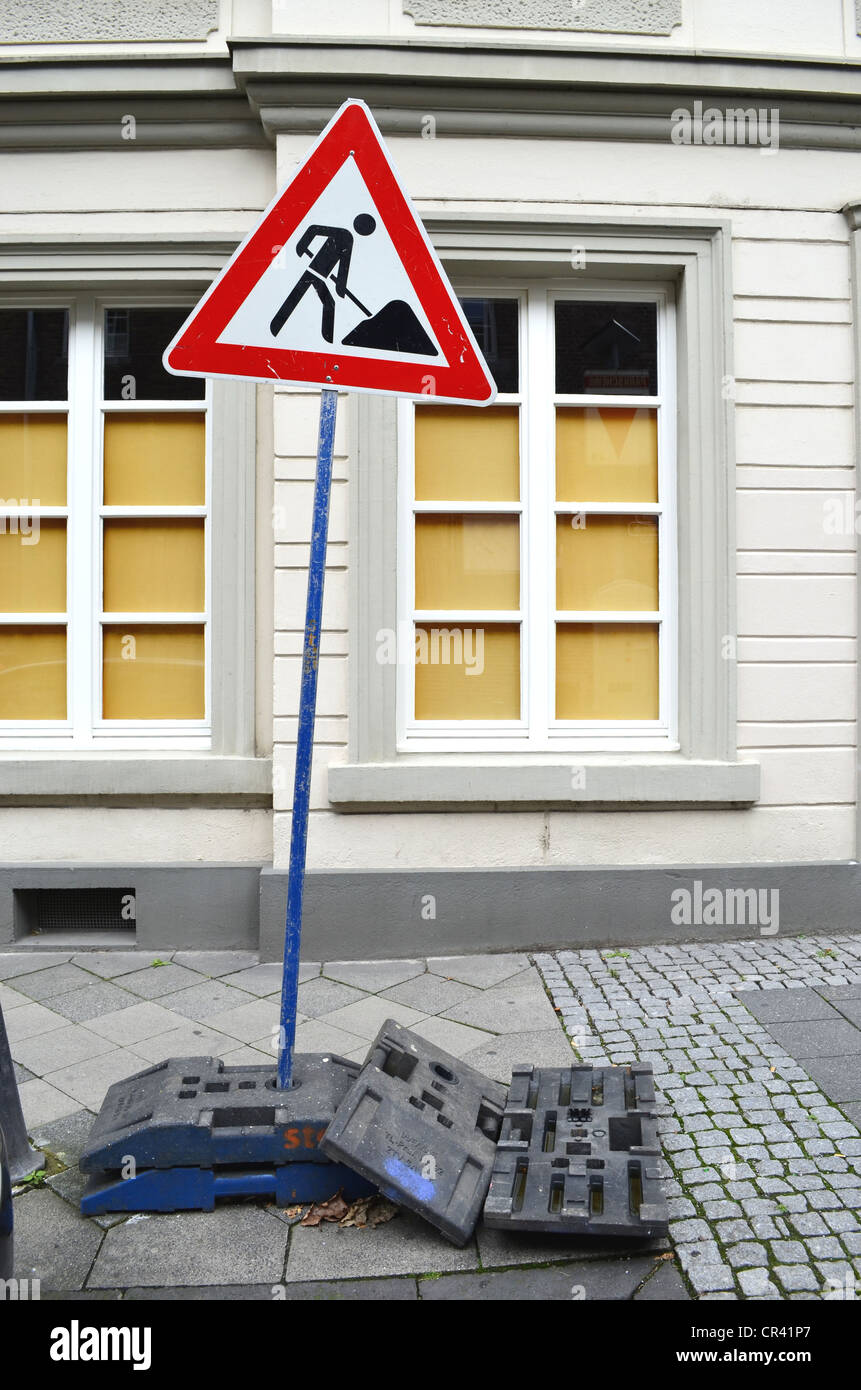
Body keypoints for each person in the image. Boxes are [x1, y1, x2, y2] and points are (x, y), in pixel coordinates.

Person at [270, 214, 376, 342]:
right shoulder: (345, 235)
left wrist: (340, 288)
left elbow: (344, 266)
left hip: (318, 276)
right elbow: (314, 229)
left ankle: (327, 341)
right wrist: (302, 246)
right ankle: (275, 327)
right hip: (312, 272)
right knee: (303, 298)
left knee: (324, 302)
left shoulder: (347, 237)